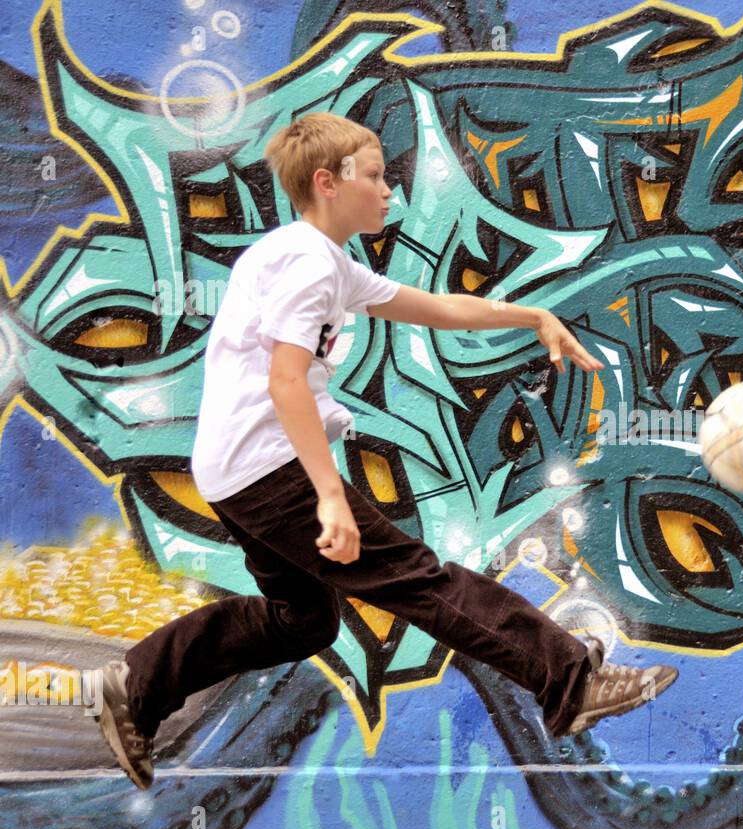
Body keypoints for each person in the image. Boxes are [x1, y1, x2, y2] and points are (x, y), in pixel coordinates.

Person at [89, 112, 676, 790]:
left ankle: (134, 684)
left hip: (237, 471)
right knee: (423, 581)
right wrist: (331, 495)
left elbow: (435, 307)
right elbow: (286, 382)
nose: (388, 190)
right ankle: (571, 682)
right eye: (374, 176)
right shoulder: (308, 265)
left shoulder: (317, 259)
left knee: (299, 619)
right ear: (327, 183)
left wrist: (532, 316)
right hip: (269, 467)